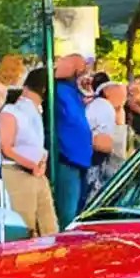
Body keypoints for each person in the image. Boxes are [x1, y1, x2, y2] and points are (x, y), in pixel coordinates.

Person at [0, 68, 59, 236]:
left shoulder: (36, 112)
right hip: (17, 172)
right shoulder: (11, 111)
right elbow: (6, 147)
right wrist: (31, 164)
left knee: (49, 224)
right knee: (25, 225)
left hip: (37, 172)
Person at [53, 54, 96, 225]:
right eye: (80, 69)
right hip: (67, 158)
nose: (83, 73)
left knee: (76, 209)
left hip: (80, 159)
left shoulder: (73, 93)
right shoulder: (58, 91)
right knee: (68, 211)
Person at [85, 75, 128, 201]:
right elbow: (104, 143)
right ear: (107, 92)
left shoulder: (110, 109)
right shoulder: (103, 106)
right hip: (98, 165)